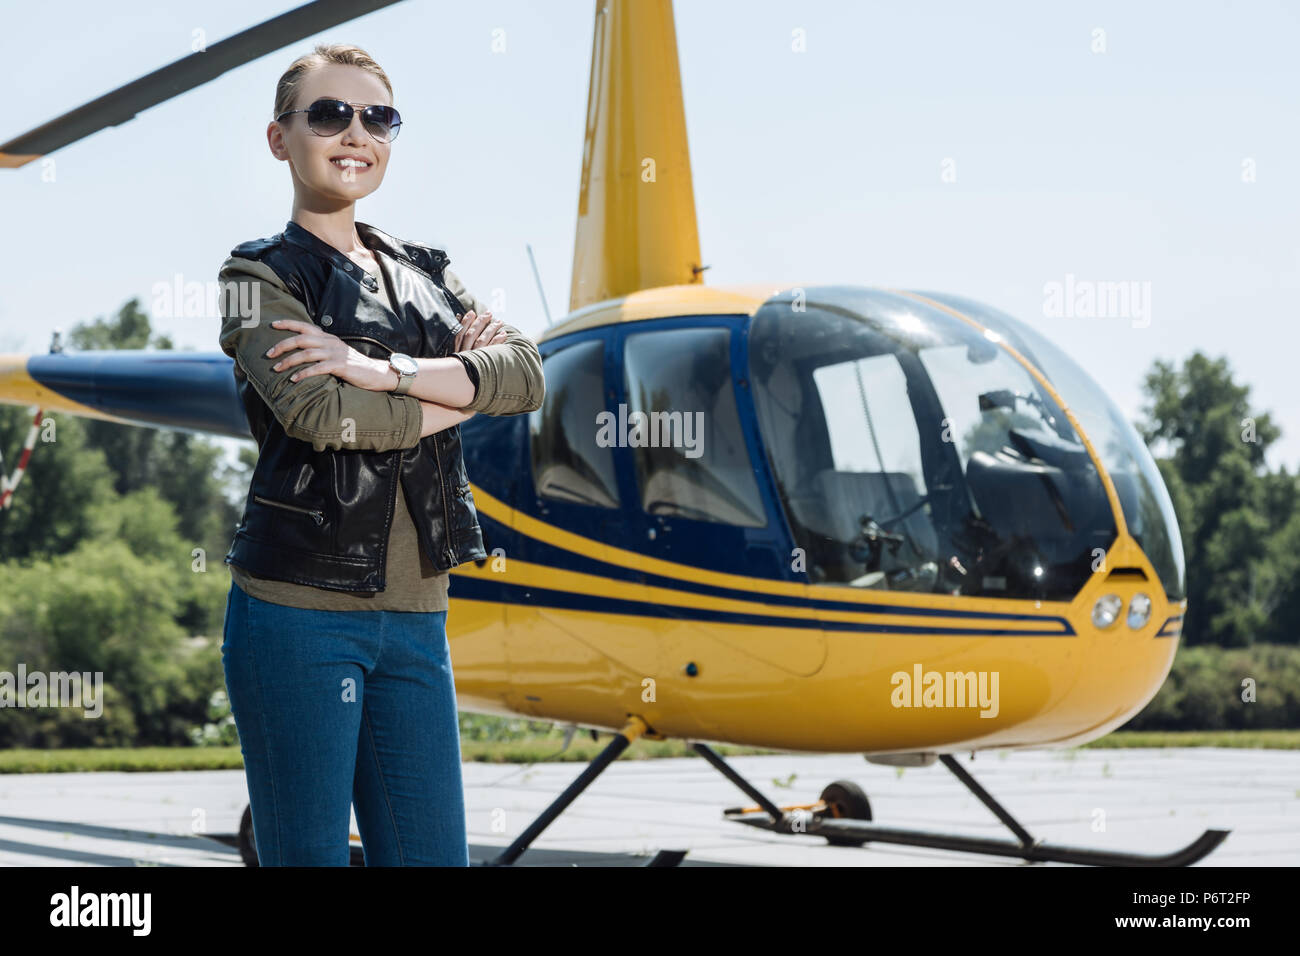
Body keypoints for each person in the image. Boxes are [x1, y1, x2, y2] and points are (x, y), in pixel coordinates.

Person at [216, 43, 544, 866]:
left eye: (378, 117)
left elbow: (527, 375)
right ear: (279, 138)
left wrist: (382, 370)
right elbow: (327, 417)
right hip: (296, 611)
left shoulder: (428, 273)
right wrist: (455, 391)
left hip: (419, 613)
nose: (355, 132)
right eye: (328, 113)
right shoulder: (256, 276)